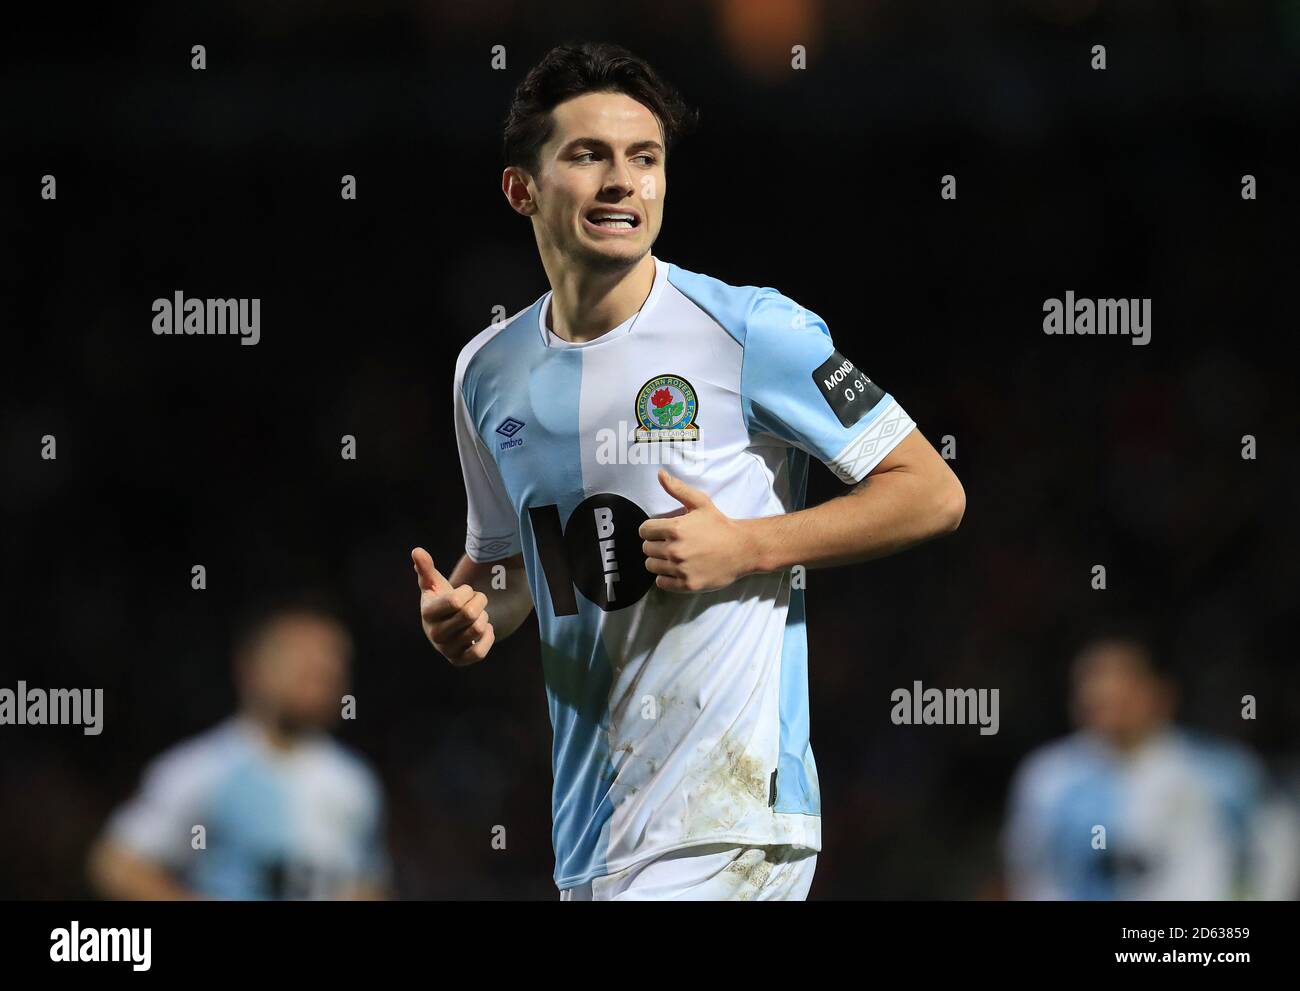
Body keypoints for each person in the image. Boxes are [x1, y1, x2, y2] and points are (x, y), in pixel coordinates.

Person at [412, 42, 964, 900]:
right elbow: (515, 565)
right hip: (594, 825)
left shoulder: (749, 329)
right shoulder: (485, 372)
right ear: (523, 188)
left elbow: (932, 490)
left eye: (645, 158)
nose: (622, 181)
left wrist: (746, 545)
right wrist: (472, 612)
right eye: (587, 155)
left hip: (729, 816)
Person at [87, 603, 390, 900]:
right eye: (302, 659)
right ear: (252, 667)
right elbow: (117, 865)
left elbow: (367, 881)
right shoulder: (201, 769)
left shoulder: (354, 782)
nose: (320, 672)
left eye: (332, 661)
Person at [1002, 633, 1299, 900]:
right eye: (1092, 684)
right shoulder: (1048, 778)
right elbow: (1028, 867)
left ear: (1160, 693)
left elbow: (1276, 847)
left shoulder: (1221, 773)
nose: (1104, 695)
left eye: (1121, 684)